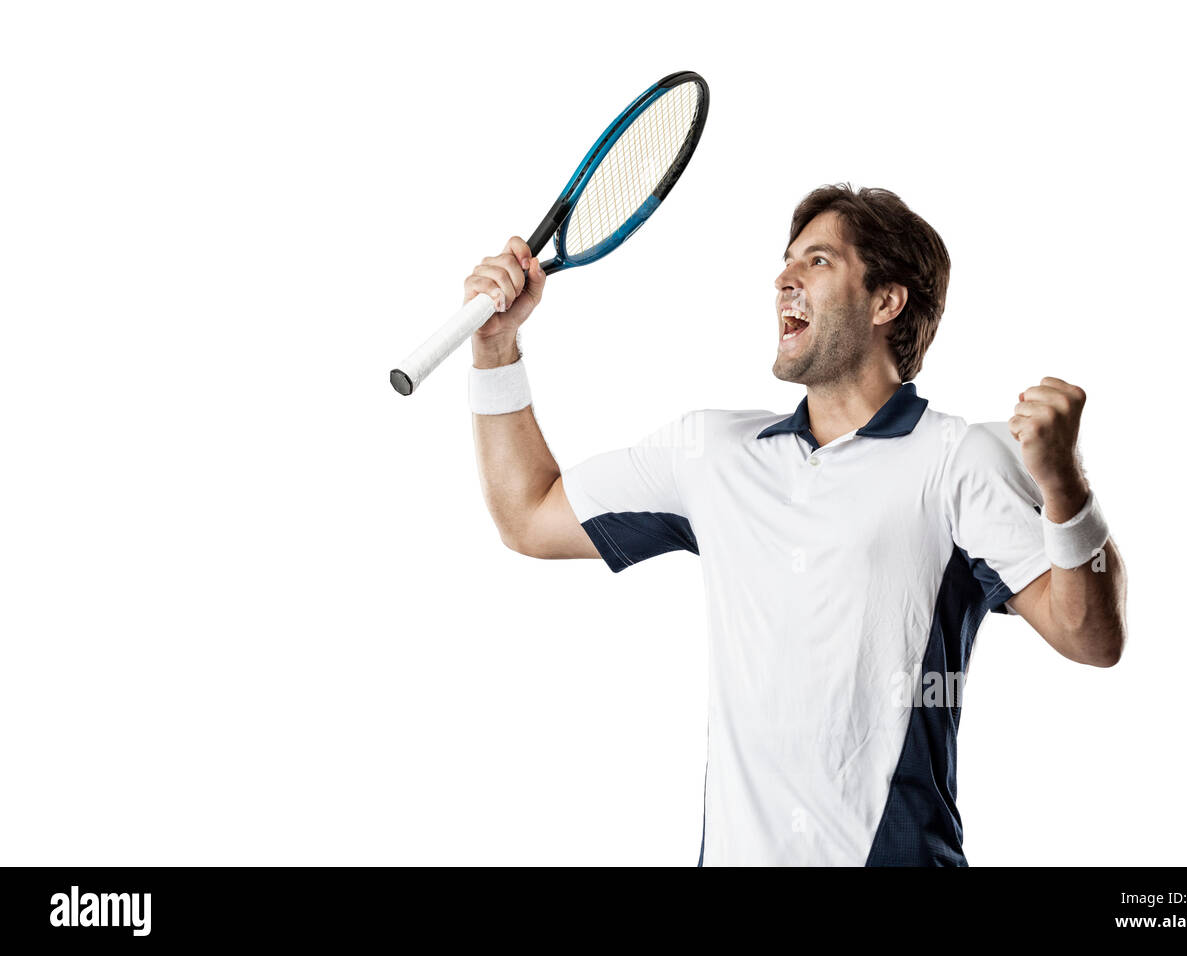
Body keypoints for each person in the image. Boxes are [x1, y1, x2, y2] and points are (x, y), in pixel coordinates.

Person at [463, 183, 1128, 866]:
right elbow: (529, 514)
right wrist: (496, 347)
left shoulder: (958, 460)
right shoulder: (714, 455)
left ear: (885, 301)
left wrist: (1064, 487)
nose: (784, 278)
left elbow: (1093, 638)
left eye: (817, 261)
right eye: (786, 261)